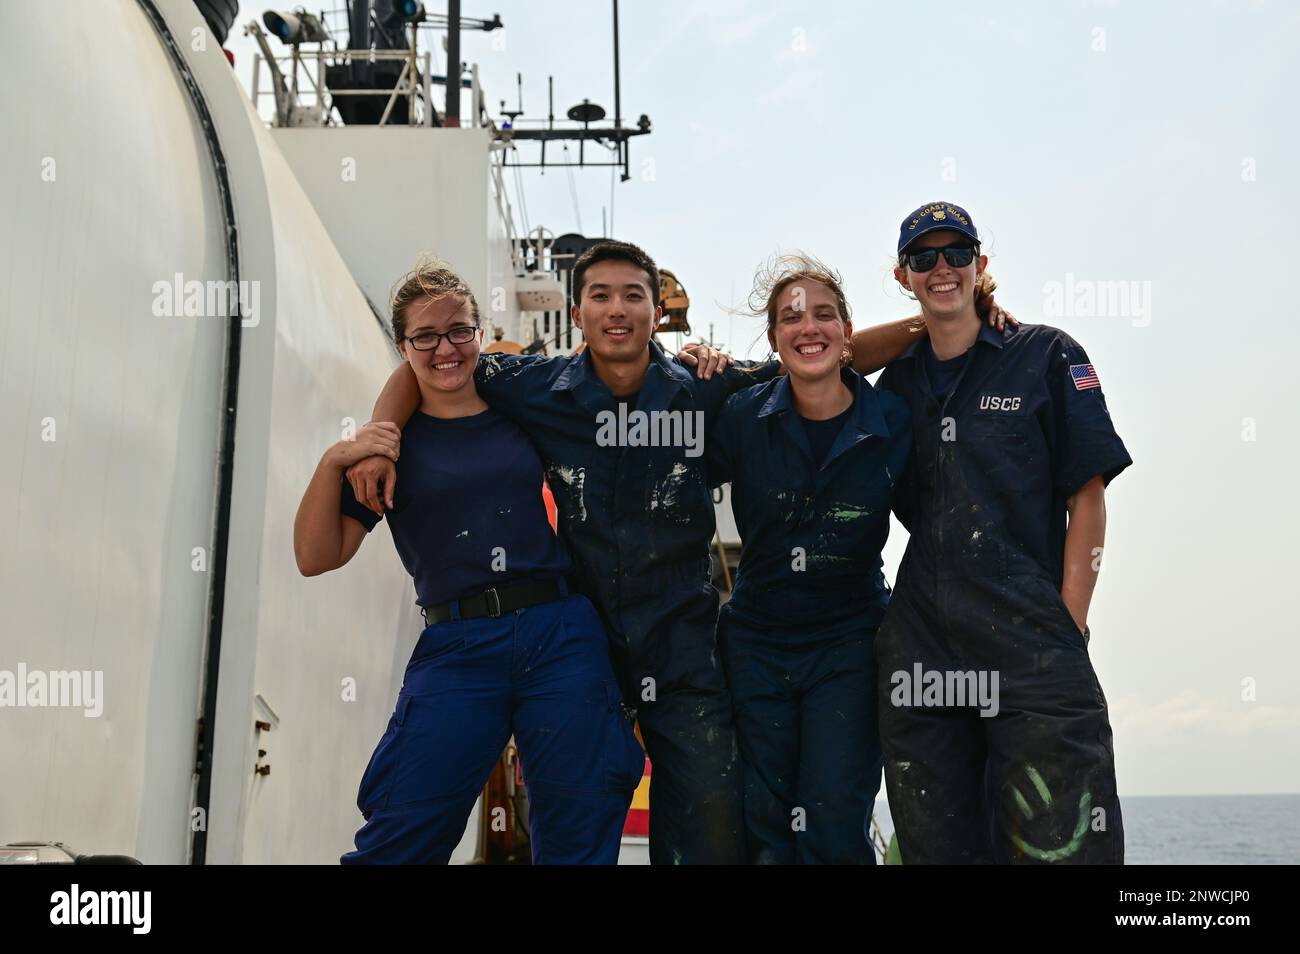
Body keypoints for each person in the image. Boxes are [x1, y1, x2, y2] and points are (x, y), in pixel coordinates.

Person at [349, 240, 947, 864]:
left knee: (715, 823)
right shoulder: (536, 388)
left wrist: (936, 316)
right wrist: (378, 438)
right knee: (579, 823)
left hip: (683, 647)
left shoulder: (705, 389)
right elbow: (434, 360)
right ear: (577, 314)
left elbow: (825, 355)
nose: (617, 309)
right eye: (600, 296)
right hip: (581, 651)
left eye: (633, 295)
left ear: (656, 311)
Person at [293, 262, 645, 865]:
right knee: (403, 831)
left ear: (480, 332)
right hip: (457, 645)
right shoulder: (388, 450)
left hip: (558, 631)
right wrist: (334, 462)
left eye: (459, 331)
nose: (445, 348)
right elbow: (316, 556)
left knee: (579, 833)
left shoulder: (526, 403)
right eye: (424, 337)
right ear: (403, 347)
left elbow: (613, 374)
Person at [874, 201, 1132, 864]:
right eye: (923, 258)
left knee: (1063, 843)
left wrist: (1070, 623)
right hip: (924, 645)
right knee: (941, 845)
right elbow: (828, 352)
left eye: (956, 254)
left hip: (1034, 646)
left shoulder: (1046, 355)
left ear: (980, 265)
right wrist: (921, 321)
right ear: (903, 274)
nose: (942, 268)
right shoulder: (896, 381)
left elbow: (1088, 498)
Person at [707, 255, 911, 864]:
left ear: (849, 332)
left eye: (825, 314)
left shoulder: (894, 421)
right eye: (791, 318)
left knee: (832, 816)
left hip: (849, 642)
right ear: (774, 340)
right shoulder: (740, 415)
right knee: (764, 822)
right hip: (757, 642)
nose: (809, 327)